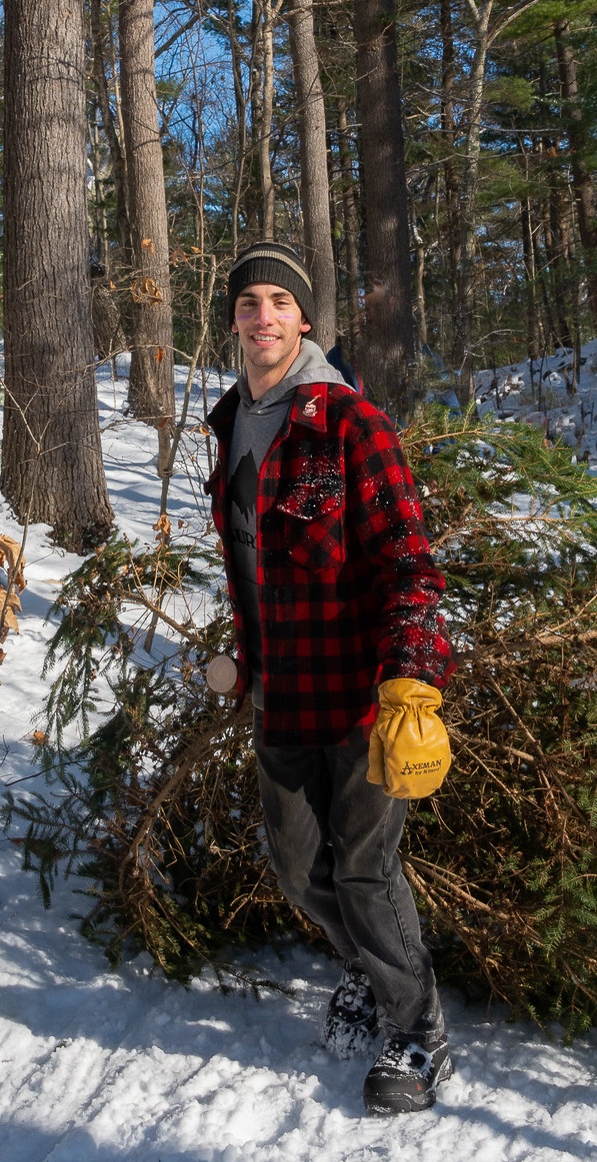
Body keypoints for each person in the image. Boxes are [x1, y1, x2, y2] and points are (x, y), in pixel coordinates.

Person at [204, 241, 456, 1114]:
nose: (263, 317)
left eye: (280, 302)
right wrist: (242, 658)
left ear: (304, 319)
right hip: (279, 693)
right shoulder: (230, 422)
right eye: (248, 303)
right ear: (233, 320)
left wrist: (412, 680)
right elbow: (254, 564)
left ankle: (418, 1031)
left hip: (361, 698)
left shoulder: (351, 422)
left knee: (364, 871)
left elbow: (410, 564)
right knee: (295, 866)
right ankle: (366, 967)